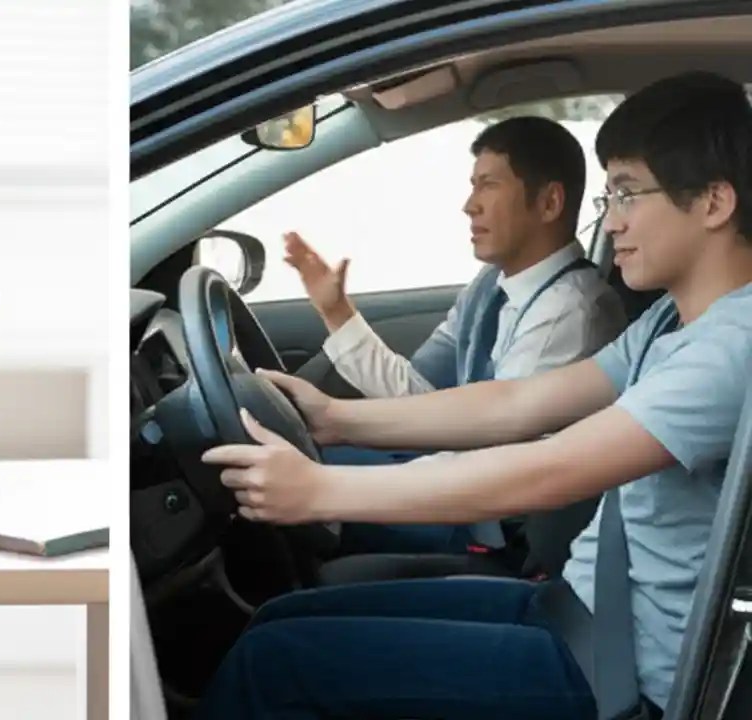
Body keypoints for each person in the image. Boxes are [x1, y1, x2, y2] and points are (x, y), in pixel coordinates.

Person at [196, 70, 752, 719]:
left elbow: (553, 468)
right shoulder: (669, 320)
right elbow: (514, 404)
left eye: (628, 195)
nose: (611, 221)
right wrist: (335, 419)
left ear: (714, 202)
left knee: (274, 664)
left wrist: (321, 491)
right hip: (576, 609)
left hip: (622, 674)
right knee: (277, 622)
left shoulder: (732, 347)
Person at [285, 115, 626, 557]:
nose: (470, 204)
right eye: (472, 185)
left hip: (491, 525)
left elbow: (497, 443)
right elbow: (416, 397)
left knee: (305, 481)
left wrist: (331, 470)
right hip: (462, 478)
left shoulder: (570, 312)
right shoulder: (491, 287)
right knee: (310, 467)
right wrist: (336, 312)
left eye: (488, 185)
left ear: (548, 203)